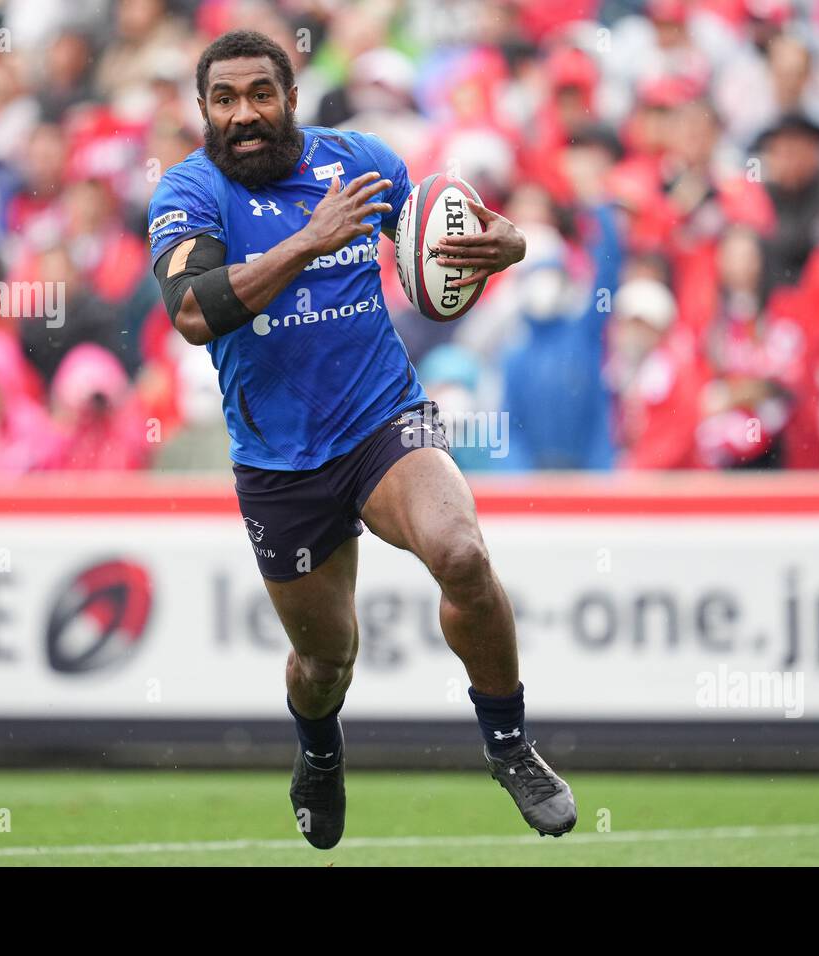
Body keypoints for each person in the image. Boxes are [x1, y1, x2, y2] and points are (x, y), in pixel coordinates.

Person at [146, 30, 575, 850]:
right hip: (280, 460)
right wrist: (309, 239)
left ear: (292, 98)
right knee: (326, 661)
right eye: (225, 100)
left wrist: (508, 245)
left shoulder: (362, 160)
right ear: (204, 111)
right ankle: (318, 751)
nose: (244, 115)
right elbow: (194, 311)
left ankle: (510, 744)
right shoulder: (189, 190)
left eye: (260, 96)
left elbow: (448, 236)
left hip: (382, 422)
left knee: (463, 555)